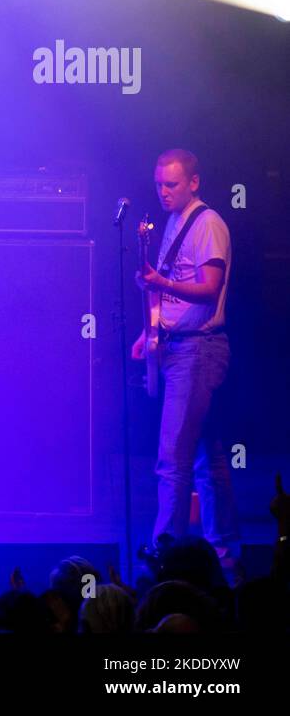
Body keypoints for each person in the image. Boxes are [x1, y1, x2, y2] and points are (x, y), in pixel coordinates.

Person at [132, 148, 238, 558]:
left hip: (200, 350)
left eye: (172, 184)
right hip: (179, 347)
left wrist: (162, 281)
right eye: (159, 184)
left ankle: (166, 555)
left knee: (172, 459)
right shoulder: (173, 222)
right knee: (207, 460)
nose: (163, 191)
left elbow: (210, 287)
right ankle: (225, 555)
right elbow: (169, 290)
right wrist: (149, 330)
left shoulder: (208, 224)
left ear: (193, 182)